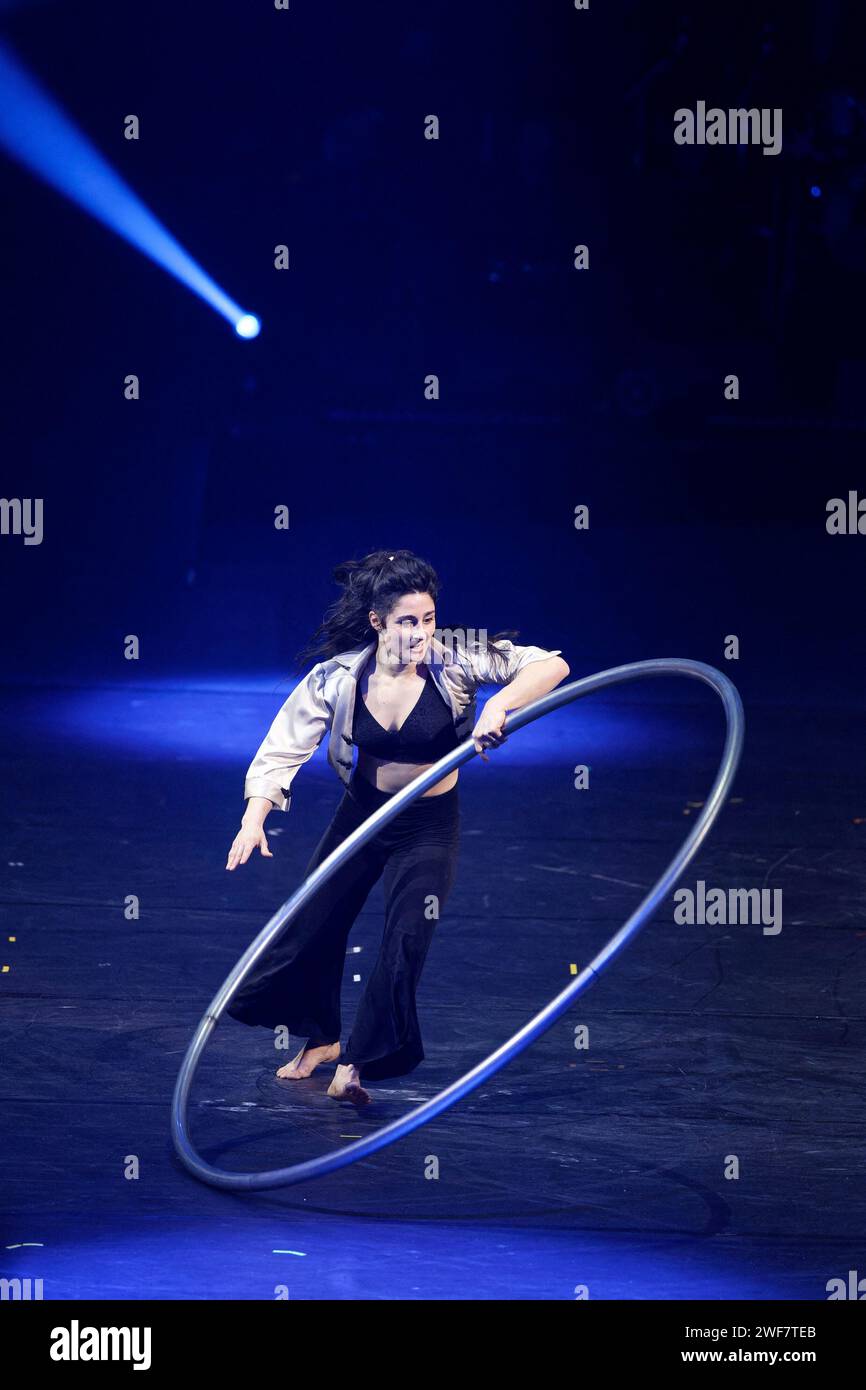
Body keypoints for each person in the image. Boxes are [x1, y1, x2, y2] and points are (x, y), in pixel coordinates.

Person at [224, 548, 569, 1106]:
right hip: (364, 813)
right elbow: (281, 749)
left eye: (429, 619)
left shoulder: (455, 660)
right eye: (407, 622)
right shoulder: (338, 679)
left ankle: (357, 1061)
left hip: (427, 824)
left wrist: (498, 705)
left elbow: (551, 665)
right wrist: (254, 817)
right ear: (377, 622)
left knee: (406, 936)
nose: (420, 634)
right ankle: (324, 1040)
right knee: (314, 922)